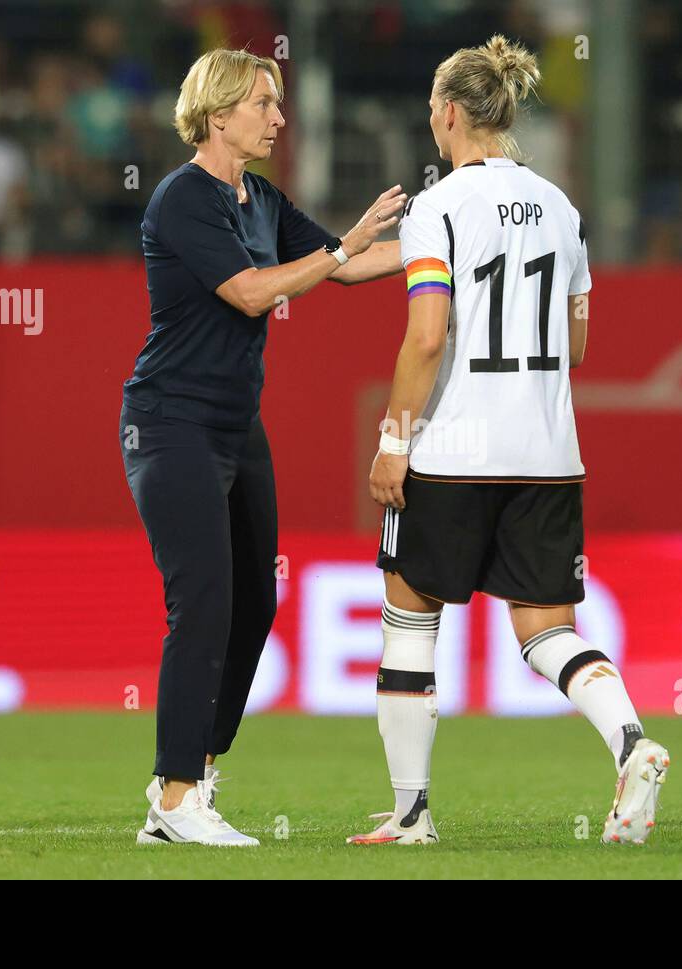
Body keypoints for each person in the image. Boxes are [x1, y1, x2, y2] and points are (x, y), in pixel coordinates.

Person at [354, 35, 669, 848]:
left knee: (408, 618)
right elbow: (578, 345)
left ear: (451, 113)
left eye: (431, 109)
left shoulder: (440, 206)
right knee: (548, 630)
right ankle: (632, 741)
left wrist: (394, 439)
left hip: (455, 454)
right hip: (548, 453)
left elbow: (426, 339)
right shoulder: (563, 208)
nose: (431, 121)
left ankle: (412, 811)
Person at [121, 47, 407, 847]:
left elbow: (345, 270)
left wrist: (443, 252)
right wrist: (343, 247)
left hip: (235, 426)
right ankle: (177, 797)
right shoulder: (184, 198)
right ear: (219, 116)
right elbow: (252, 290)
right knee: (203, 600)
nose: (279, 117)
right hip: (170, 421)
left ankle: (192, 778)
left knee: (256, 598)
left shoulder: (259, 195)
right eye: (264, 104)